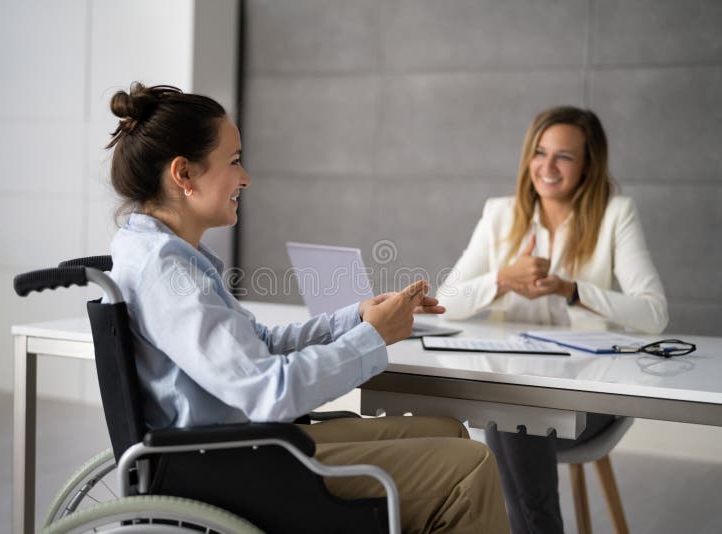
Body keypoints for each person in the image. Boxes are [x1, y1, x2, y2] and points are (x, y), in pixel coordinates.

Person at [105, 82, 510, 534]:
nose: (246, 178)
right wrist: (372, 337)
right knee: (471, 466)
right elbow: (270, 392)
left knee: (449, 432)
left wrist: (356, 317)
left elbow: (260, 347)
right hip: (231, 465)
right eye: (235, 161)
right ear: (184, 175)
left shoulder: (158, 254)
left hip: (235, 447)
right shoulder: (167, 271)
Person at [436, 106, 668, 533]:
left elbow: (654, 314)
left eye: (564, 156)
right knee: (509, 411)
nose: (548, 167)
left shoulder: (616, 215)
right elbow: (445, 302)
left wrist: (572, 289)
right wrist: (501, 279)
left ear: (588, 164)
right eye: (540, 153)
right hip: (517, 391)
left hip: (592, 396)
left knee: (512, 417)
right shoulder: (501, 214)